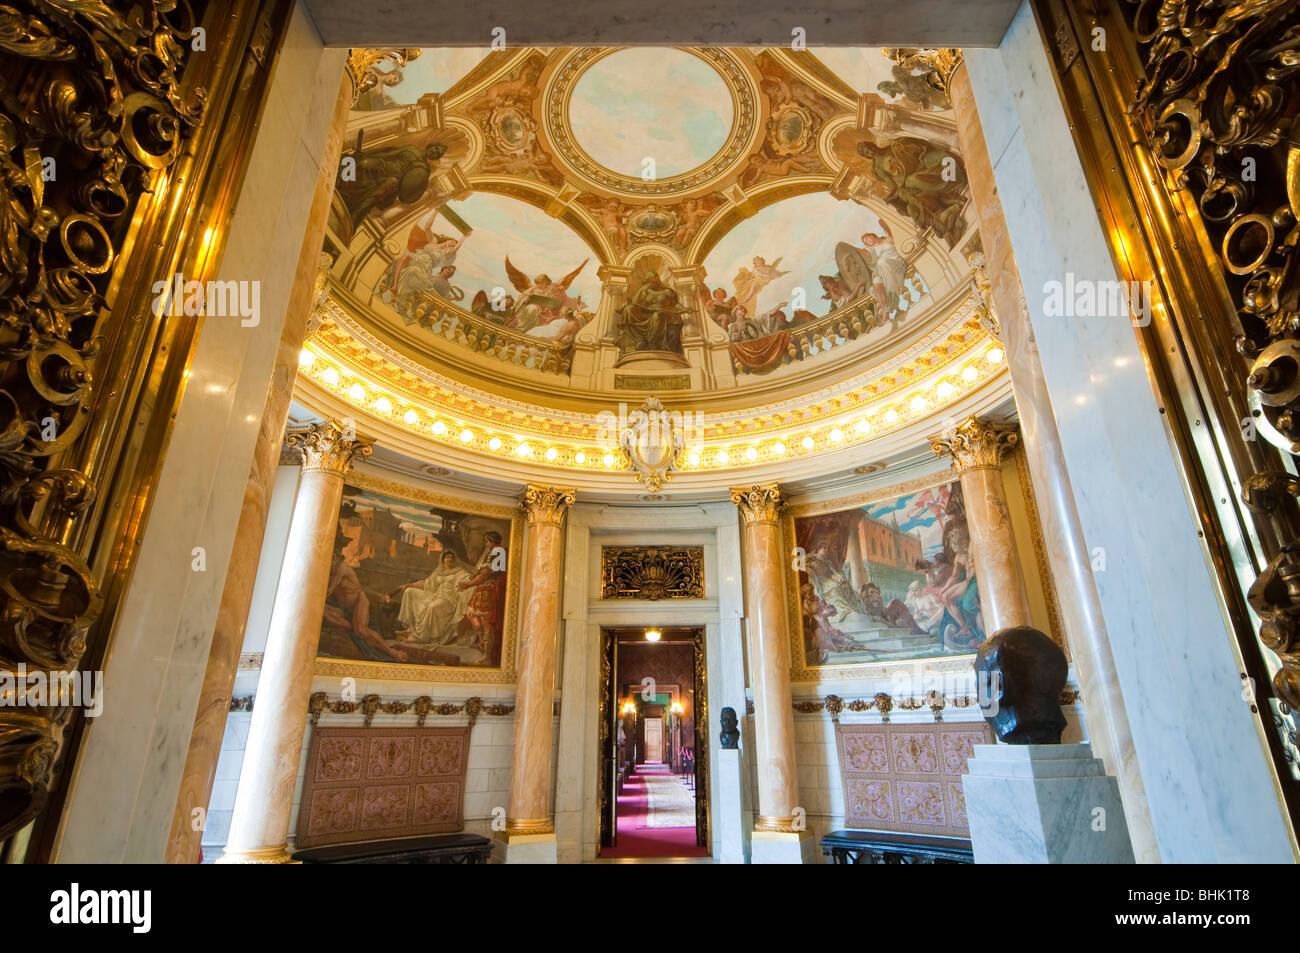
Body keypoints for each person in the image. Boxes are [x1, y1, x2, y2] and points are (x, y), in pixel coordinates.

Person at [323, 531, 407, 662]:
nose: (331, 559)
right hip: (343, 606)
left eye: (333, 556)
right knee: (324, 613)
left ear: (338, 556)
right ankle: (355, 627)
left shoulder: (341, 568)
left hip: (358, 602)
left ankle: (393, 652)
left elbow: (329, 590)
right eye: (329, 556)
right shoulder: (329, 569)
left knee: (361, 630)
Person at [391, 550, 471, 646]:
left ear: (454, 560)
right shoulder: (438, 572)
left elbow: (468, 579)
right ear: (443, 559)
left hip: (449, 599)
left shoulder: (459, 572)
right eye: (447, 557)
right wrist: (409, 584)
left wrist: (469, 581)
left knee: (432, 607)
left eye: (451, 557)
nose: (449, 559)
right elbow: (426, 584)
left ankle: (421, 636)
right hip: (436, 595)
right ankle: (411, 629)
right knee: (409, 591)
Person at [457, 531, 507, 661]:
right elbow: (484, 572)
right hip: (483, 589)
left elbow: (487, 574)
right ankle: (481, 642)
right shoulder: (493, 553)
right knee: (471, 614)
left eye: (486, 541)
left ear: (491, 540)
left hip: (489, 590)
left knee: (487, 623)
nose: (486, 544)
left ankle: (487, 655)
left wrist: (468, 584)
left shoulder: (498, 552)